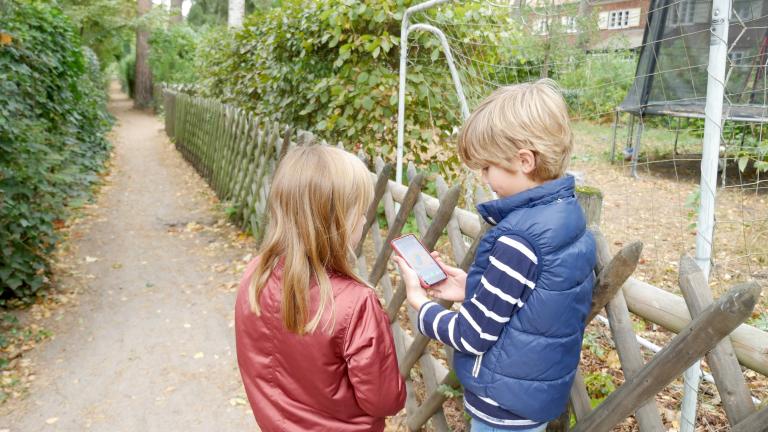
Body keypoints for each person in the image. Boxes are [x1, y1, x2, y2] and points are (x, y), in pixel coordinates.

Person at [393, 79, 596, 431]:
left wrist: (420, 306)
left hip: (501, 403)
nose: (485, 178)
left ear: (524, 161)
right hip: (532, 395)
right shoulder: (566, 213)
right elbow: (534, 301)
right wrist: (472, 287)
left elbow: (472, 335)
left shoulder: (518, 239)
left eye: (487, 168)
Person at [235, 145, 405, 431]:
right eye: (359, 211)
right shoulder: (356, 303)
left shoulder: (256, 275)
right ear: (332, 220)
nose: (365, 219)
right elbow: (384, 400)